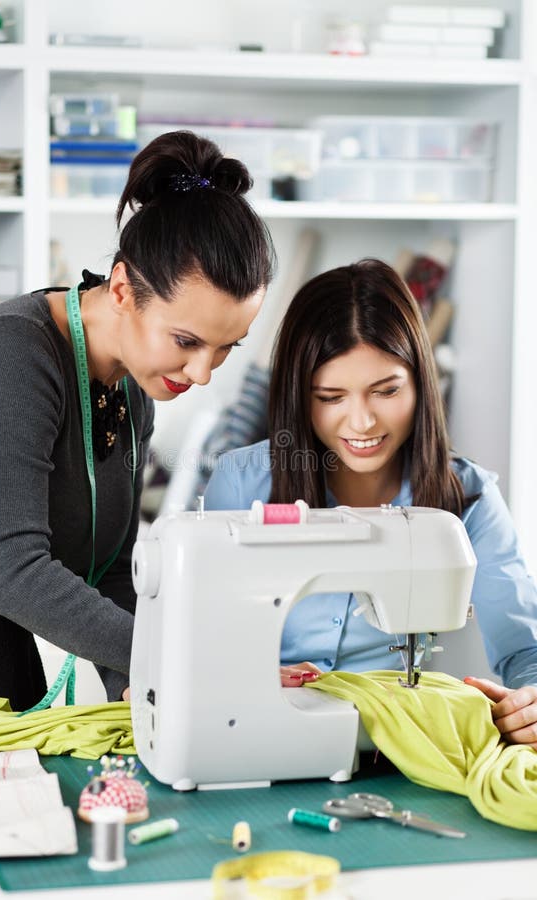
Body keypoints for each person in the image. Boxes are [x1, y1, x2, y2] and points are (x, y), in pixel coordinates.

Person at [0, 130, 274, 711]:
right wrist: (177, 655)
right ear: (122, 288)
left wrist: (140, 691)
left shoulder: (133, 386)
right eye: (187, 341)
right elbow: (14, 571)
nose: (202, 374)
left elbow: (112, 568)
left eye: (226, 348)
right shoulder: (12, 355)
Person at [205, 258, 537, 747]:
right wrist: (245, 674)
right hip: (259, 732)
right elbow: (205, 638)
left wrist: (531, 698)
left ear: (421, 382)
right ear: (299, 396)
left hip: (394, 745)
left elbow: (523, 648)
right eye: (331, 397)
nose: (361, 422)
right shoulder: (240, 485)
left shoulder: (468, 497)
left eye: (386, 391)